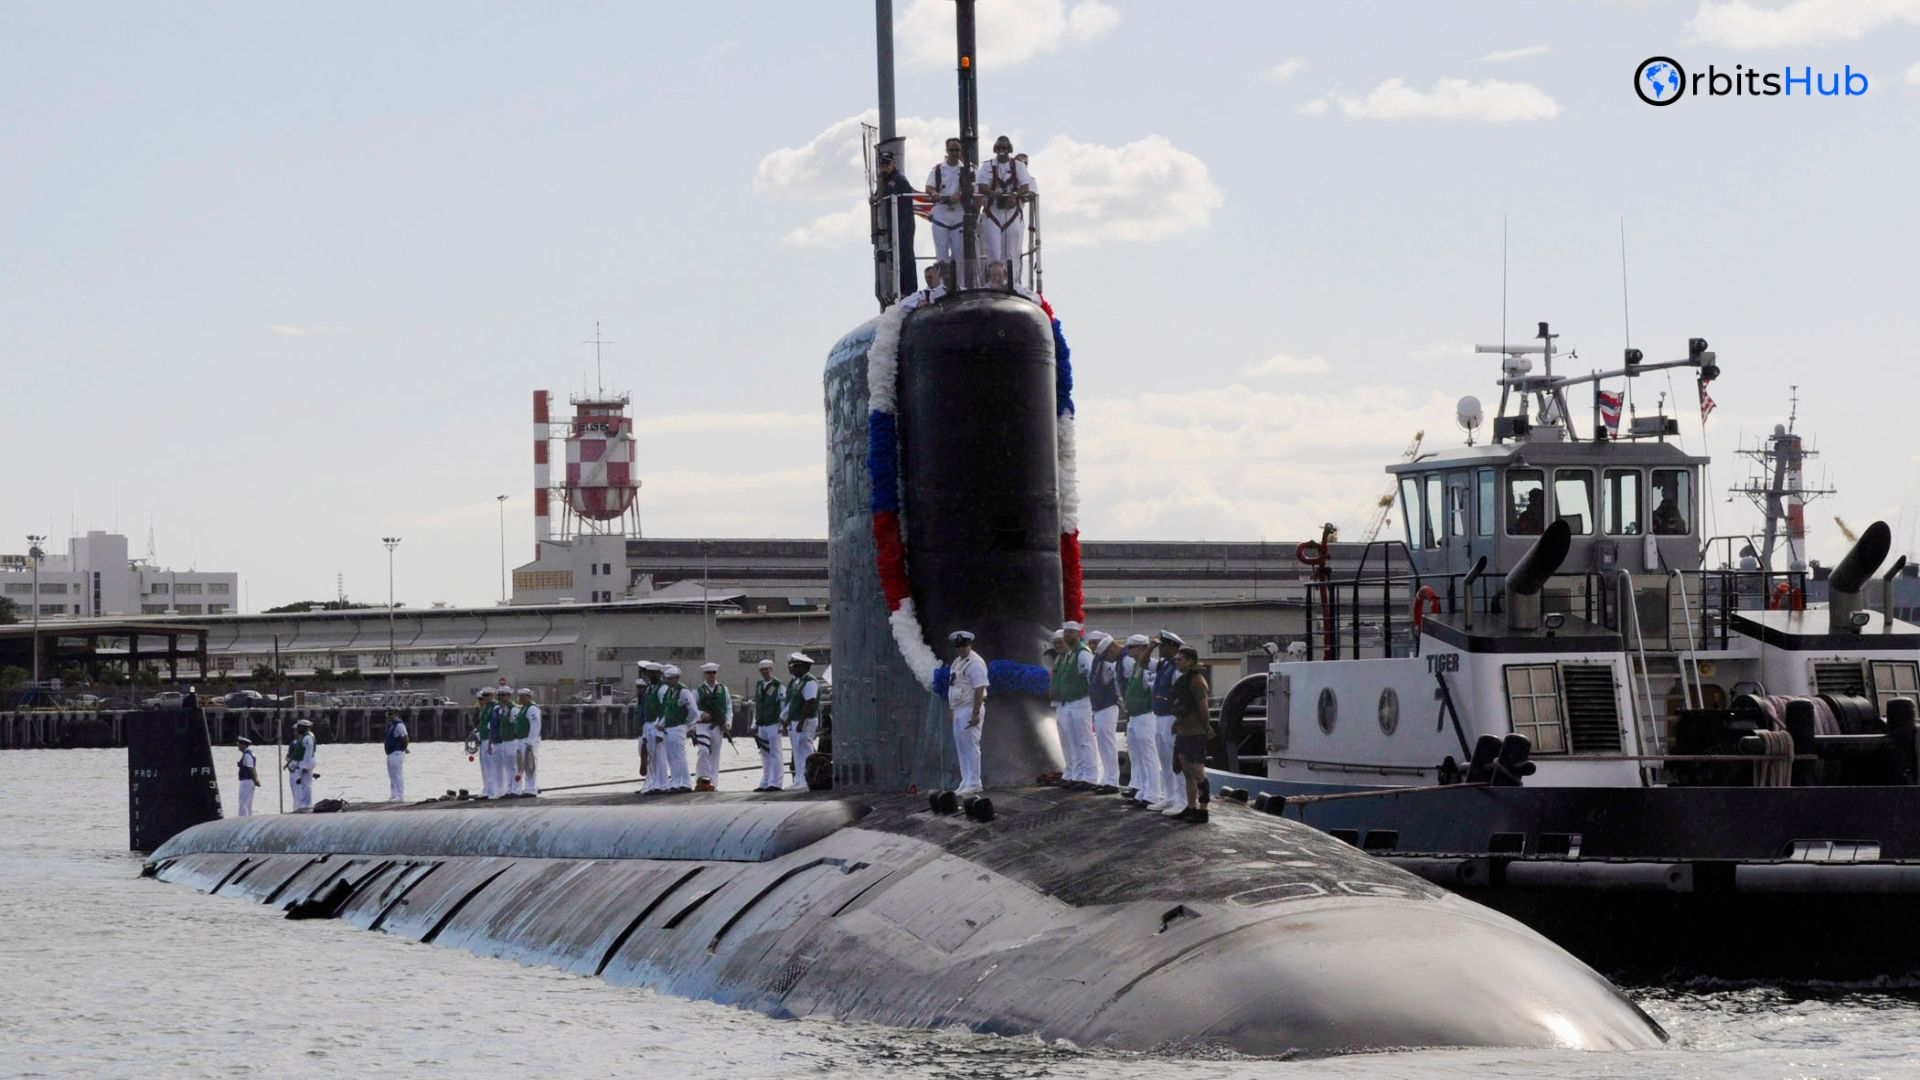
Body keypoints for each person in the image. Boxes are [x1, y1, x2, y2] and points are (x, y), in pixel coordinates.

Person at [1167, 647, 1213, 823]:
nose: (1177, 662)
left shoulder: (1197, 681)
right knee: (1186, 770)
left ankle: (1203, 809)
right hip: (1184, 730)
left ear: (1190, 661)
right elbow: (1181, 705)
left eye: (1180, 659)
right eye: (1176, 659)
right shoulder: (1183, 681)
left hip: (1194, 732)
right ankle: (1190, 807)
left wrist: (1206, 727)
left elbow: (1203, 707)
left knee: (1198, 771)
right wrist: (1177, 723)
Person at [976, 135, 1031, 278]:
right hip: (993, 211)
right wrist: (996, 195)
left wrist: (1014, 195)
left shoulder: (1018, 165)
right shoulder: (987, 166)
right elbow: (981, 187)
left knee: (1011, 252)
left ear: (1009, 149)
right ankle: (992, 281)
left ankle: (1012, 282)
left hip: (1012, 213)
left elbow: (1025, 187)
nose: (1001, 151)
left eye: (1004, 148)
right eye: (999, 148)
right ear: (995, 149)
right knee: (993, 252)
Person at [1049, 622, 1095, 788]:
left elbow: (1092, 677)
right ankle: (1075, 774)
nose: (1067, 636)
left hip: (1081, 701)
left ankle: (1089, 776)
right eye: (1065, 633)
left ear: (1078, 634)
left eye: (1070, 633)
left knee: (1084, 740)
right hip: (1066, 703)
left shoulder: (1083, 654)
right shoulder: (1067, 656)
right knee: (1071, 741)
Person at [1147, 630, 1186, 814]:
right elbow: (1144, 663)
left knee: (1176, 760)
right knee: (1165, 759)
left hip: (1171, 717)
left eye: (1162, 646)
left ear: (1172, 646)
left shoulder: (1177, 667)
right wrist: (1150, 648)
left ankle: (1182, 799)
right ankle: (1169, 796)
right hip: (1160, 716)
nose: (1160, 649)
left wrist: (1179, 719)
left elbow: (1182, 695)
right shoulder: (1163, 665)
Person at [946, 630, 990, 794]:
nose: (961, 649)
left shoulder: (975, 663)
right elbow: (954, 686)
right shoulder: (957, 662)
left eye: (964, 645)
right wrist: (952, 709)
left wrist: (976, 713)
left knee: (971, 745)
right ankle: (965, 780)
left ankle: (974, 781)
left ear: (970, 644)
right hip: (959, 710)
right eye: (958, 646)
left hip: (970, 707)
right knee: (961, 746)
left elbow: (979, 688)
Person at [871, 148, 918, 298]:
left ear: (894, 163)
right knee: (896, 256)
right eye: (882, 164)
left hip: (904, 223)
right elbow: (875, 198)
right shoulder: (886, 180)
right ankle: (903, 288)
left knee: (905, 256)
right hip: (895, 224)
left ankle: (909, 290)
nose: (884, 166)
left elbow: (880, 196)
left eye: (887, 163)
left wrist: (879, 183)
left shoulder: (897, 180)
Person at [1120, 634, 1160, 806]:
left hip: (1145, 714)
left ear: (1143, 648)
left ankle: (1152, 793)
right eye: (1129, 647)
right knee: (1138, 756)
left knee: (1148, 755)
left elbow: (1151, 690)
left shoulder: (1148, 667)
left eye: (1133, 647)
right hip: (1135, 716)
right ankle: (1142, 790)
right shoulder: (1136, 666)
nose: (1129, 650)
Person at [924, 137, 968, 287]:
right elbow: (928, 188)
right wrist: (934, 193)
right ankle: (944, 285)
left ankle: (960, 284)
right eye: (951, 150)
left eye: (957, 150)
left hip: (958, 216)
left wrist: (960, 195)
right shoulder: (937, 170)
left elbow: (972, 189)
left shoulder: (966, 170)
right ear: (947, 151)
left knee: (959, 254)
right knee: (941, 254)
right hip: (941, 215)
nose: (954, 153)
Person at [1086, 632, 1123, 793]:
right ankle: (1106, 777)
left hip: (1108, 705)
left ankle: (1112, 781)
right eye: (1091, 643)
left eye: (1096, 643)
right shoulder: (1096, 660)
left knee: (1108, 743)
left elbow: (1115, 684)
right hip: (1099, 706)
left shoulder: (1107, 662)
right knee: (1102, 742)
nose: (1093, 646)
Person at [783, 652, 821, 789]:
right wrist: (787, 719)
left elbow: (809, 701)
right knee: (797, 750)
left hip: (806, 720)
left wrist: (801, 721)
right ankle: (799, 779)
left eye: (795, 666)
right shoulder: (798, 682)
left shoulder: (810, 681)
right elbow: (794, 703)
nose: (792, 669)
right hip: (796, 720)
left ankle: (807, 780)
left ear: (803, 667)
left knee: (806, 749)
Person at [658, 666, 696, 793]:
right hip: (669, 727)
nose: (667, 681)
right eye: (666, 679)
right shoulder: (670, 691)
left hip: (679, 726)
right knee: (671, 756)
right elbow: (668, 711)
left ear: (676, 678)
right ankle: (675, 781)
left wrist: (687, 725)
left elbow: (693, 711)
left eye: (669, 679)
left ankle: (685, 782)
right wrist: (662, 723)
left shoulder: (683, 691)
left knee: (679, 756)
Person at [694, 663, 731, 792]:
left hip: (717, 726)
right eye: (709, 673)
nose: (712, 675)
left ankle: (713, 783)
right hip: (703, 726)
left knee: (715, 755)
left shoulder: (723, 689)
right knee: (703, 751)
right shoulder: (698, 690)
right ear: (705, 674)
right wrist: (701, 714)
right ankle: (701, 779)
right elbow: (692, 709)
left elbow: (728, 707)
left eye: (714, 673)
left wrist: (727, 723)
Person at [751, 658, 786, 792]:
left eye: (767, 669)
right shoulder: (759, 685)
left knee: (775, 753)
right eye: (762, 670)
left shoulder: (778, 685)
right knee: (764, 753)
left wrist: (782, 724)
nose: (765, 672)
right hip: (762, 724)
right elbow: (758, 705)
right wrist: (754, 723)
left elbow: (783, 705)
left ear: (771, 669)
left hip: (773, 723)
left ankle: (776, 783)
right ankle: (765, 782)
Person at [512, 688, 542, 796]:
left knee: (530, 765)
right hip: (521, 740)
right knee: (522, 765)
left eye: (522, 696)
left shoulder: (532, 709)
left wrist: (530, 742)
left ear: (529, 697)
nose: (520, 698)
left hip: (528, 740)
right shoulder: (524, 708)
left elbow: (535, 726)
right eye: (519, 696)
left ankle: (531, 789)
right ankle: (525, 788)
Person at [472, 688, 499, 798]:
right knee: (485, 766)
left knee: (491, 765)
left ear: (492, 695)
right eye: (482, 697)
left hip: (490, 739)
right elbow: (482, 724)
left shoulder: (494, 707)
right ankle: (487, 788)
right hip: (483, 739)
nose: (483, 698)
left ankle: (493, 789)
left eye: (487, 695)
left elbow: (492, 724)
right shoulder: (484, 708)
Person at [286, 718, 316, 811]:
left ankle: (306, 803)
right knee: (304, 783)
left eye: (299, 727)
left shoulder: (308, 737)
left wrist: (306, 766)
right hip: (304, 761)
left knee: (306, 784)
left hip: (307, 761)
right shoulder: (306, 737)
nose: (298, 729)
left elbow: (308, 752)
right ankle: (304, 803)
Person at [383, 710, 409, 802]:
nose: (389, 717)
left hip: (397, 752)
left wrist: (404, 748)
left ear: (396, 715)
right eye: (388, 715)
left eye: (391, 715)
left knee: (397, 774)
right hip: (391, 753)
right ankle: (393, 794)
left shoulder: (399, 725)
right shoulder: (392, 725)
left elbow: (405, 738)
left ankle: (400, 795)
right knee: (392, 775)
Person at [234, 736, 258, 817]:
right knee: (248, 803)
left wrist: (255, 780)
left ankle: (242, 818)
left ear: (244, 745)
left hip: (246, 781)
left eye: (240, 744)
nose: (238, 746)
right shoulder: (249, 754)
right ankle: (248, 817)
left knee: (243, 802)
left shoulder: (247, 755)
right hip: (249, 781)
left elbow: (251, 768)